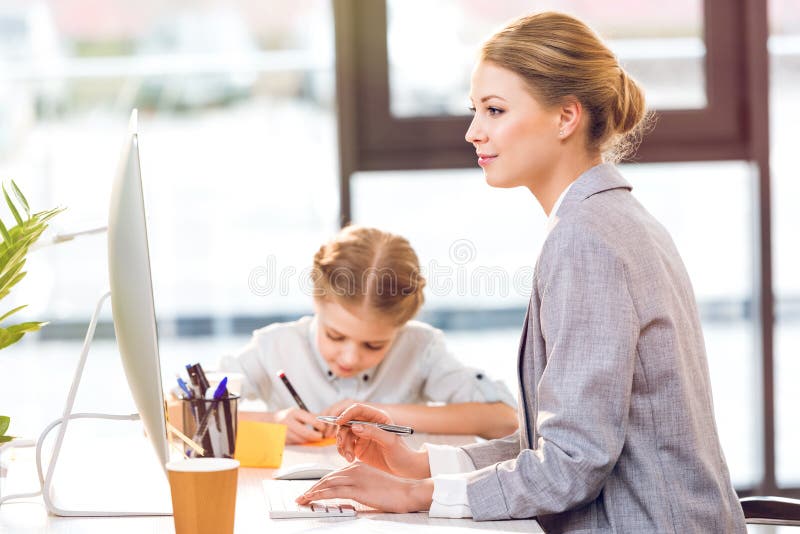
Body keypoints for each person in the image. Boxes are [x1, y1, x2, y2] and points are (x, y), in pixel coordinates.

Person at [297, 12, 747, 532]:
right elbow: (560, 439)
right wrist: (421, 463)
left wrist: (414, 495)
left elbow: (571, 465)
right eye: (475, 110)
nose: (473, 132)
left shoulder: (587, 239)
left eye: (494, 110)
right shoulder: (613, 218)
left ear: (565, 117)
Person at [218, 225, 518, 444]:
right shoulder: (276, 346)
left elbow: (505, 420)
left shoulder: (419, 347)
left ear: (400, 327)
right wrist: (272, 422)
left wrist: (382, 413)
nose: (350, 357)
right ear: (316, 302)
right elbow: (181, 414)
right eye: (335, 336)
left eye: (374, 345)